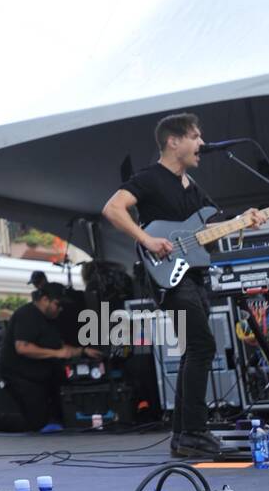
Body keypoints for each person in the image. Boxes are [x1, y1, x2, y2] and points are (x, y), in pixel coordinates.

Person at [102, 110, 267, 459]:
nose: (202, 143)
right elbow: (113, 209)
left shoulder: (193, 188)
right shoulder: (149, 178)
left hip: (193, 275)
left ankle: (182, 437)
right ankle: (193, 431)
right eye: (195, 137)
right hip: (167, 276)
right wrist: (147, 239)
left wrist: (244, 221)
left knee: (195, 348)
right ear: (173, 141)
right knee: (203, 345)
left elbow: (207, 231)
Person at [0, 281, 101, 432]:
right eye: (57, 304)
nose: (60, 309)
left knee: (58, 408)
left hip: (40, 375)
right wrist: (56, 354)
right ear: (45, 299)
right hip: (19, 376)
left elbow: (61, 347)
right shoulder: (26, 315)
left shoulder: (51, 320)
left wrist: (83, 351)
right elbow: (23, 347)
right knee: (36, 423)